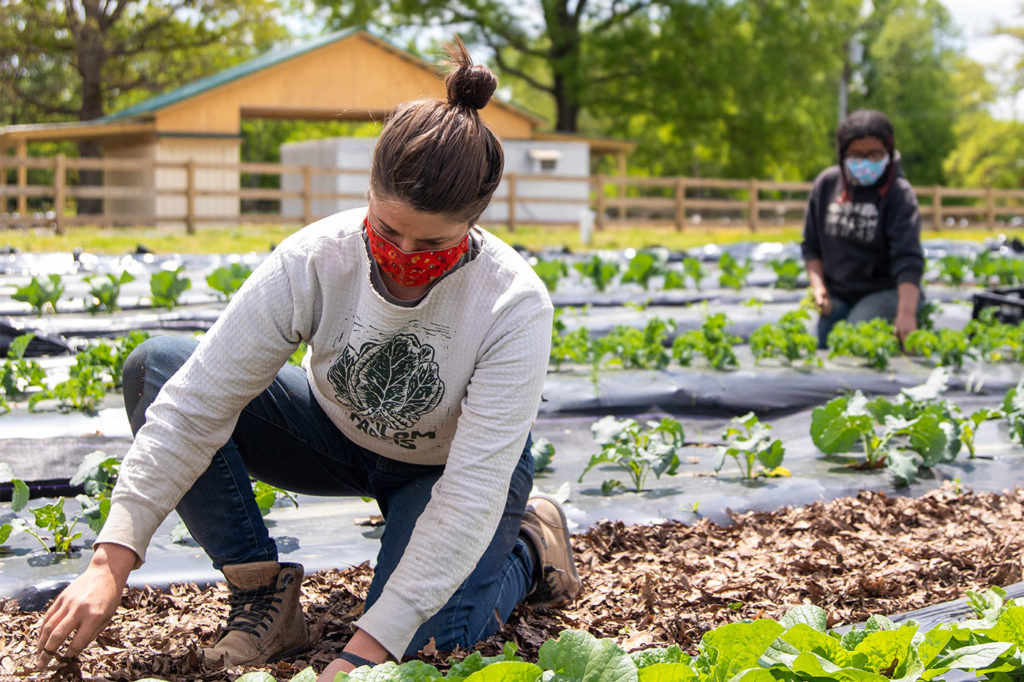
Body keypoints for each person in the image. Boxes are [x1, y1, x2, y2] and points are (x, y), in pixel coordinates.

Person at [34, 38, 581, 679]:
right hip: (335, 433)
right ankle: (262, 591)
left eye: (431, 243)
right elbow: (198, 402)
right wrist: (111, 557)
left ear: (477, 219)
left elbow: (467, 495)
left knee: (432, 640)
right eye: (387, 230)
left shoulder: (512, 303)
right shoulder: (316, 258)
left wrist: (362, 653)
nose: (403, 254)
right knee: (159, 366)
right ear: (368, 195)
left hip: (447, 470)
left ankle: (526, 546)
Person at [801, 109, 925, 349]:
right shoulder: (827, 184)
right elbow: (811, 246)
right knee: (825, 339)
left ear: (888, 152)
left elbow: (908, 259)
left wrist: (906, 313)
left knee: (854, 339)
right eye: (857, 155)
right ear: (843, 154)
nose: (865, 162)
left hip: (886, 291)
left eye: (875, 155)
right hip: (840, 292)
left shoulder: (899, 194)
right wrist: (819, 288)